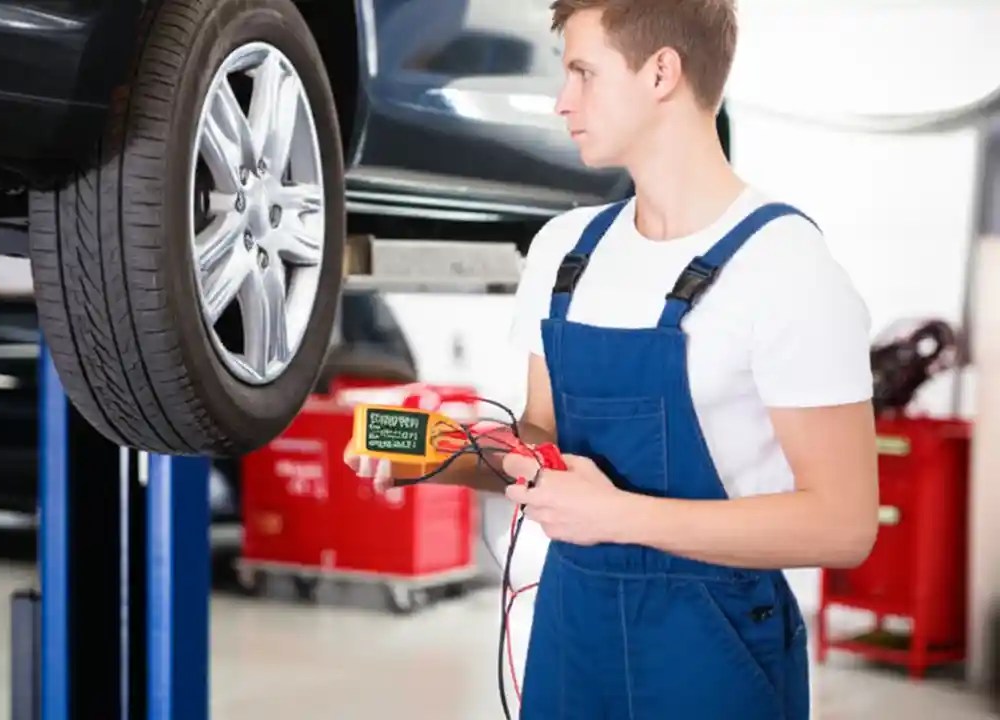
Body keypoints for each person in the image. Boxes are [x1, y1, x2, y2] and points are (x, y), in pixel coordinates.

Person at [347, 0, 880, 718]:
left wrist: (621, 515)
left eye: (583, 73)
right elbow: (542, 441)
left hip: (713, 651)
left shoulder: (785, 267)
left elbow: (842, 523)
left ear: (661, 72)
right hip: (574, 632)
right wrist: (443, 453)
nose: (563, 101)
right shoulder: (564, 250)